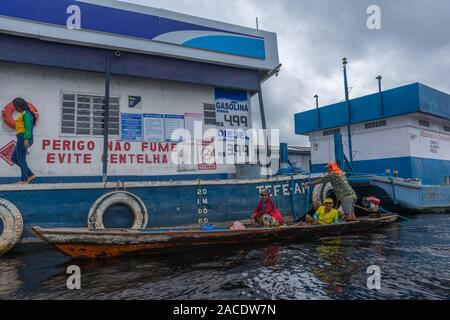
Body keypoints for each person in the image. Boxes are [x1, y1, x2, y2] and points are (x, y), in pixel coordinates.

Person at [11, 98, 36, 184]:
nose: (15, 108)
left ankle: (24, 179)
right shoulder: (24, 114)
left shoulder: (26, 114)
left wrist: (26, 139)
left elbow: (28, 128)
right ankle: (30, 175)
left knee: (21, 158)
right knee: (14, 158)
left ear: (19, 106)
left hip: (24, 137)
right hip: (21, 137)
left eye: (15, 106)